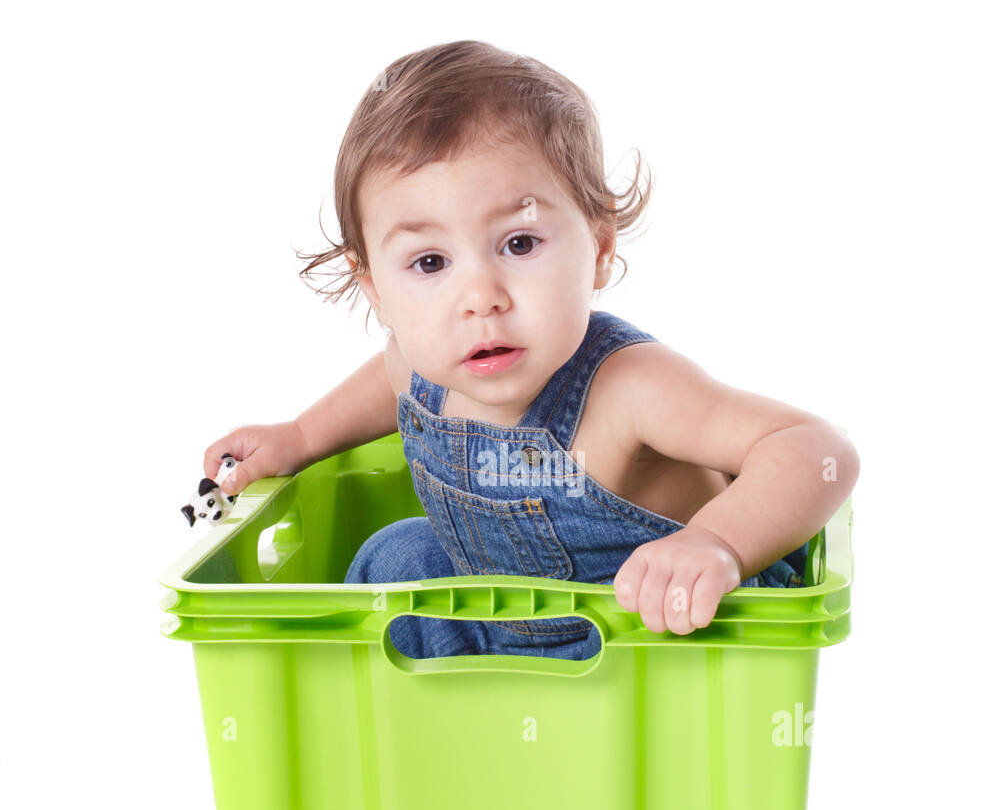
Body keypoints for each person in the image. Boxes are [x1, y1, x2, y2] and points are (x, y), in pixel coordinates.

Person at [204, 40, 859, 661]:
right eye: (430, 261)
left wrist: (715, 544)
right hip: (503, 619)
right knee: (396, 558)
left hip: (659, 637)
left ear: (598, 252)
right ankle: (417, 739)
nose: (480, 297)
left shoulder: (631, 388)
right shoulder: (418, 363)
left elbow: (815, 449)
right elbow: (386, 378)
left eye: (518, 244)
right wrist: (297, 436)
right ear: (375, 288)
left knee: (695, 625)